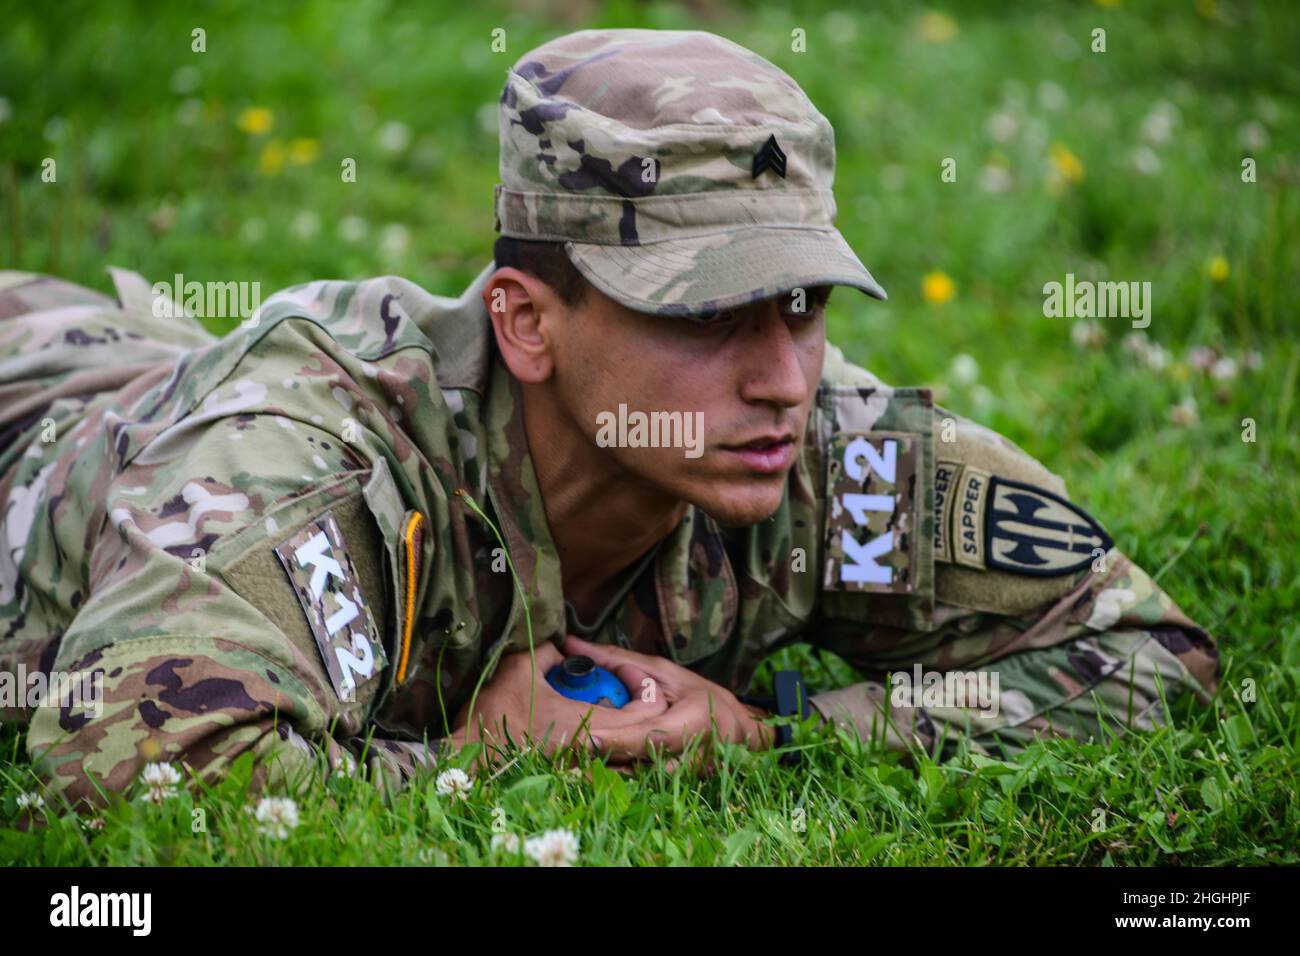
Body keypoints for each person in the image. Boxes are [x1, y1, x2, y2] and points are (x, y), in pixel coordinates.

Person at [0, 28, 1219, 810]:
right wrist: (468, 764)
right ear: (528, 322)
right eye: (708, 315)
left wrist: (774, 729)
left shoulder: (816, 450)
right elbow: (126, 765)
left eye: (803, 306)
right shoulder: (308, 455)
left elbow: (1150, 657)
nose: (782, 377)